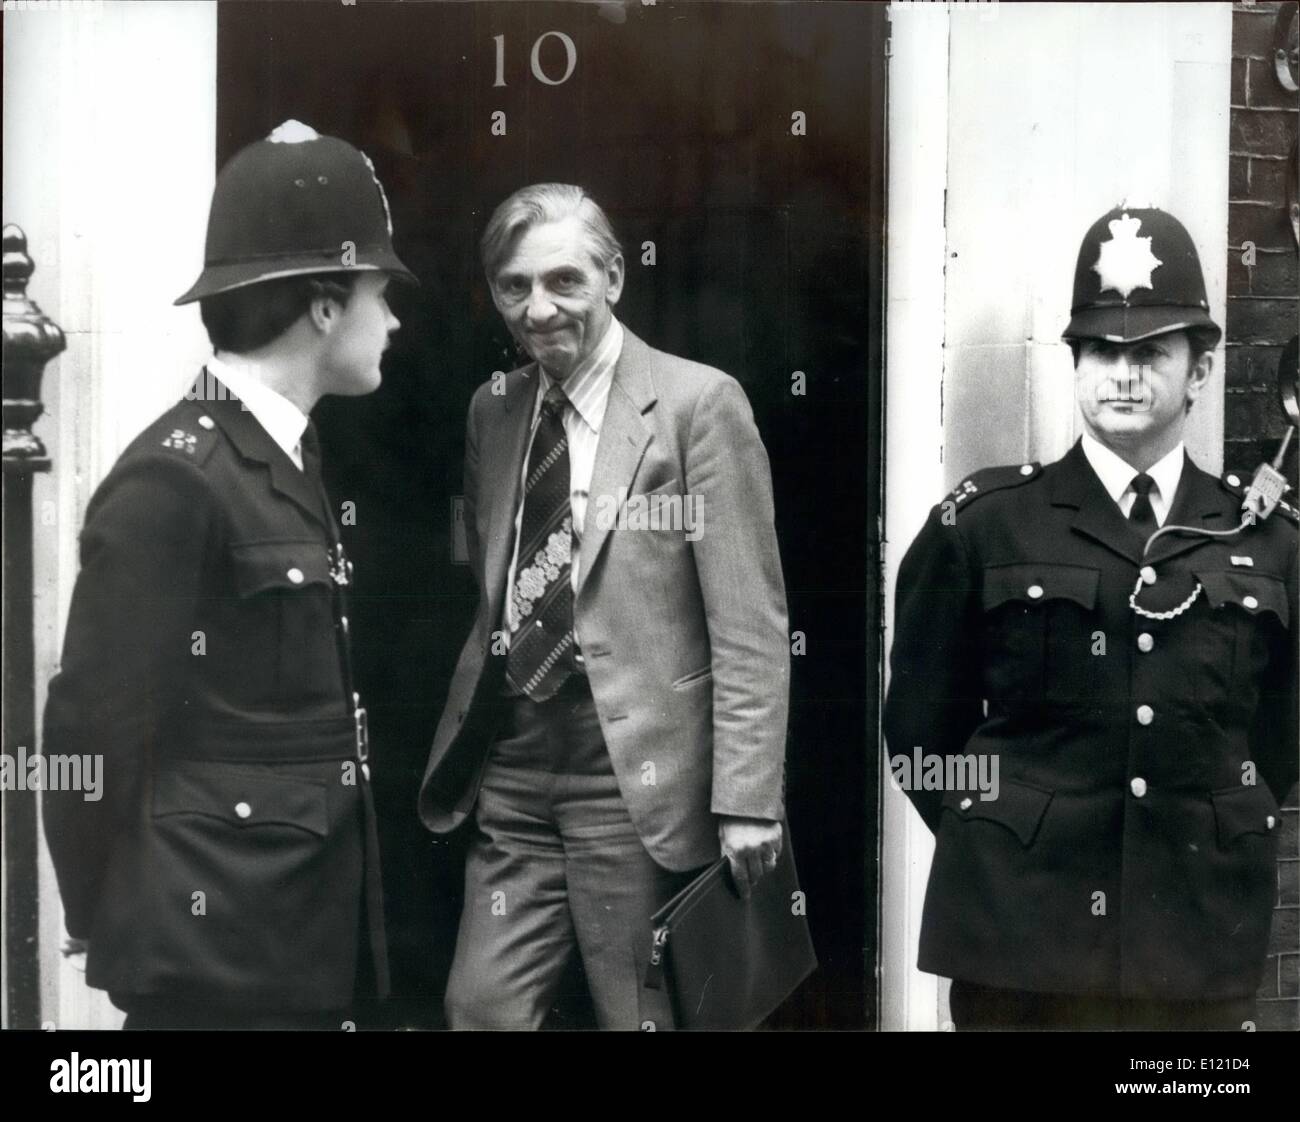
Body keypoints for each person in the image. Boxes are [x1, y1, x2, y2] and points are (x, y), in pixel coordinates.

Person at [884, 204, 1298, 1031]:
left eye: (1151, 353)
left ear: (1202, 370)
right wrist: (1003, 825)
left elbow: (1281, 740)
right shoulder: (985, 523)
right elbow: (921, 736)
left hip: (1193, 944)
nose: (1123, 374)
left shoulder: (1266, 542)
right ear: (1074, 364)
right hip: (1020, 948)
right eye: (1102, 350)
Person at [41, 120, 415, 1030]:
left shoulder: (283, 455)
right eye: (379, 290)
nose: (395, 320)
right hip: (211, 968)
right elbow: (92, 723)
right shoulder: (178, 477)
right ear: (324, 305)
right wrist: (104, 909)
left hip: (284, 949)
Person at [418, 183, 789, 1029]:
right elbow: (491, 576)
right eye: (514, 286)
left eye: (563, 282)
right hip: (513, 761)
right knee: (480, 1009)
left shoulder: (699, 405)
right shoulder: (496, 407)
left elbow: (751, 620)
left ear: (614, 277)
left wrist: (747, 799)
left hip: (630, 770)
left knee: (639, 1013)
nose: (537, 309)